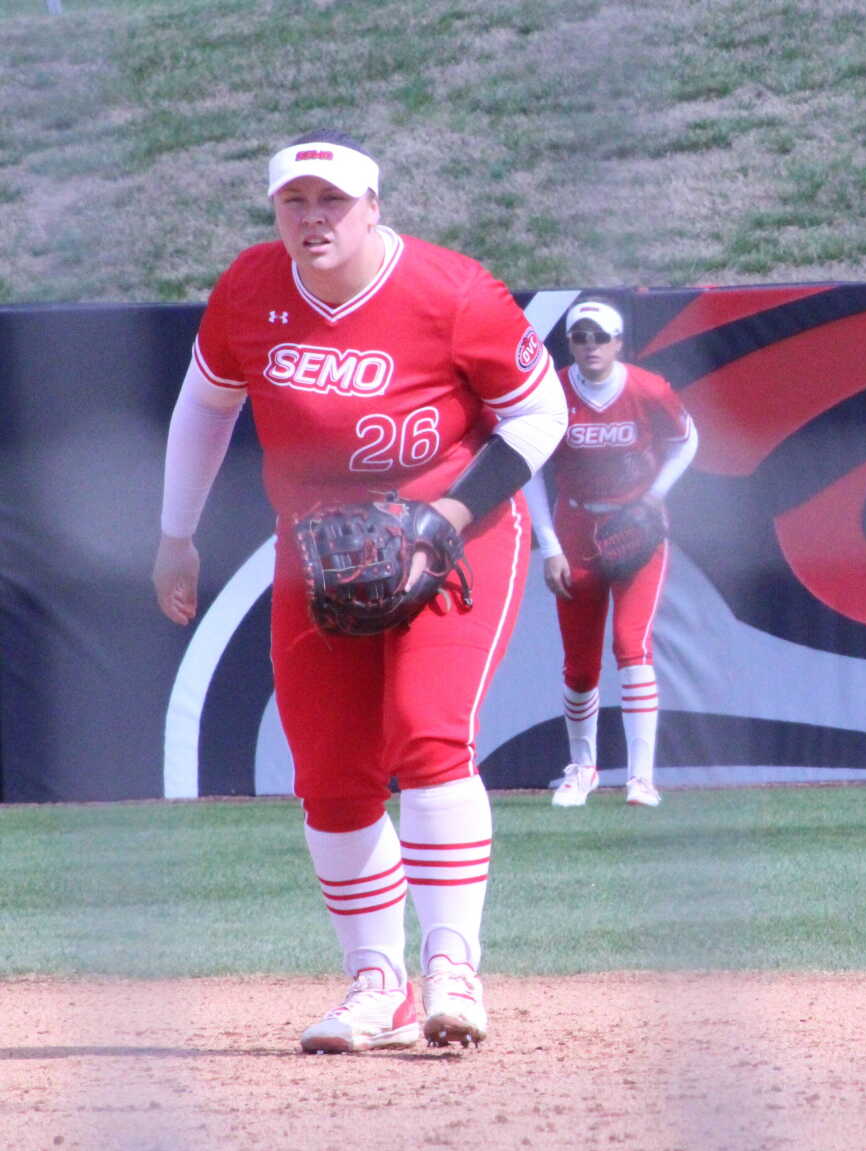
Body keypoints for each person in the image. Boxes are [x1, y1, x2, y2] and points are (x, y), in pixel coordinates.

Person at [151, 131, 567, 1053]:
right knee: (331, 775)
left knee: (426, 734)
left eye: (332, 201)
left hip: (451, 540)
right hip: (318, 550)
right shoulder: (252, 289)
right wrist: (176, 534)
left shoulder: (452, 291)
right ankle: (378, 987)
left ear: (374, 207)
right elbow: (206, 404)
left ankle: (453, 968)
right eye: (294, 203)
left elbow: (542, 412)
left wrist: (450, 516)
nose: (313, 218)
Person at [529, 299, 698, 808]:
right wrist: (549, 546)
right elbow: (531, 467)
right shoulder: (552, 392)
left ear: (619, 342)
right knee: (579, 664)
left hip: (636, 527)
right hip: (576, 525)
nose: (590, 346)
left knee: (631, 644)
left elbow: (687, 441)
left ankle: (641, 778)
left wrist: (653, 497)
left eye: (600, 337)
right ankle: (583, 769)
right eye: (581, 337)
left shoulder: (648, 388)